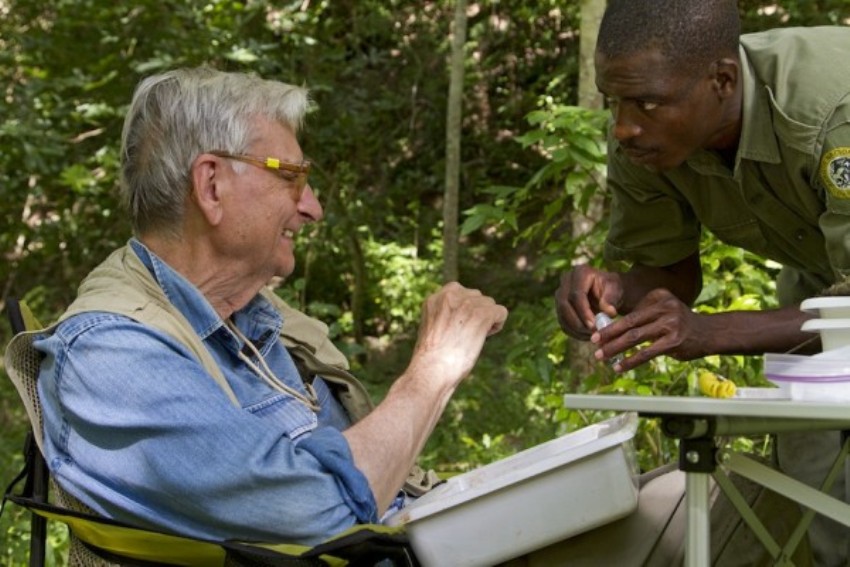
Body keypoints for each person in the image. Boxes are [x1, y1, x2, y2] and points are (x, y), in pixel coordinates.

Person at [19, 66, 507, 547]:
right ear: (211, 186)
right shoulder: (110, 356)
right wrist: (434, 369)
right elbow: (323, 517)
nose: (312, 208)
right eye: (292, 177)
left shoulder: (248, 312)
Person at [555, 0, 850, 564]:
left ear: (723, 81)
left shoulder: (831, 113)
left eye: (646, 103)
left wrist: (710, 332)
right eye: (613, 101)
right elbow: (670, 276)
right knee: (817, 488)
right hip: (824, 284)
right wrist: (614, 292)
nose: (623, 126)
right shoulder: (643, 141)